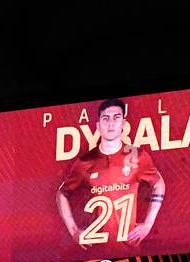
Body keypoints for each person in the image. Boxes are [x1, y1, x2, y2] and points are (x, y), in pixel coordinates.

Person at [56, 98, 166, 251]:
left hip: (129, 252)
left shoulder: (137, 155)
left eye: (116, 117)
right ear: (98, 126)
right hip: (95, 252)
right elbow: (62, 193)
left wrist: (148, 223)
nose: (111, 123)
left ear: (123, 124)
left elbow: (158, 184)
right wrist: (74, 230)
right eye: (105, 118)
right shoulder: (85, 161)